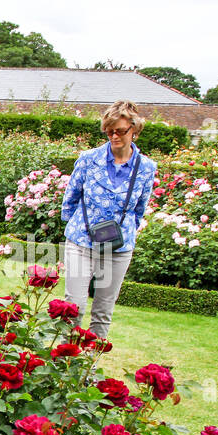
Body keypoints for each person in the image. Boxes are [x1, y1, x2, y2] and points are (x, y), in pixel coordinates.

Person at [60, 100, 158, 340]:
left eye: (120, 131)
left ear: (134, 130)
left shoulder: (146, 167)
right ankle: (62, 367)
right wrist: (79, 227)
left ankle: (88, 373)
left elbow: (139, 209)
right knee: (74, 308)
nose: (114, 136)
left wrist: (124, 230)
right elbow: (70, 198)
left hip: (118, 247)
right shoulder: (88, 159)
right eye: (109, 131)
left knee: (103, 312)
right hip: (82, 242)